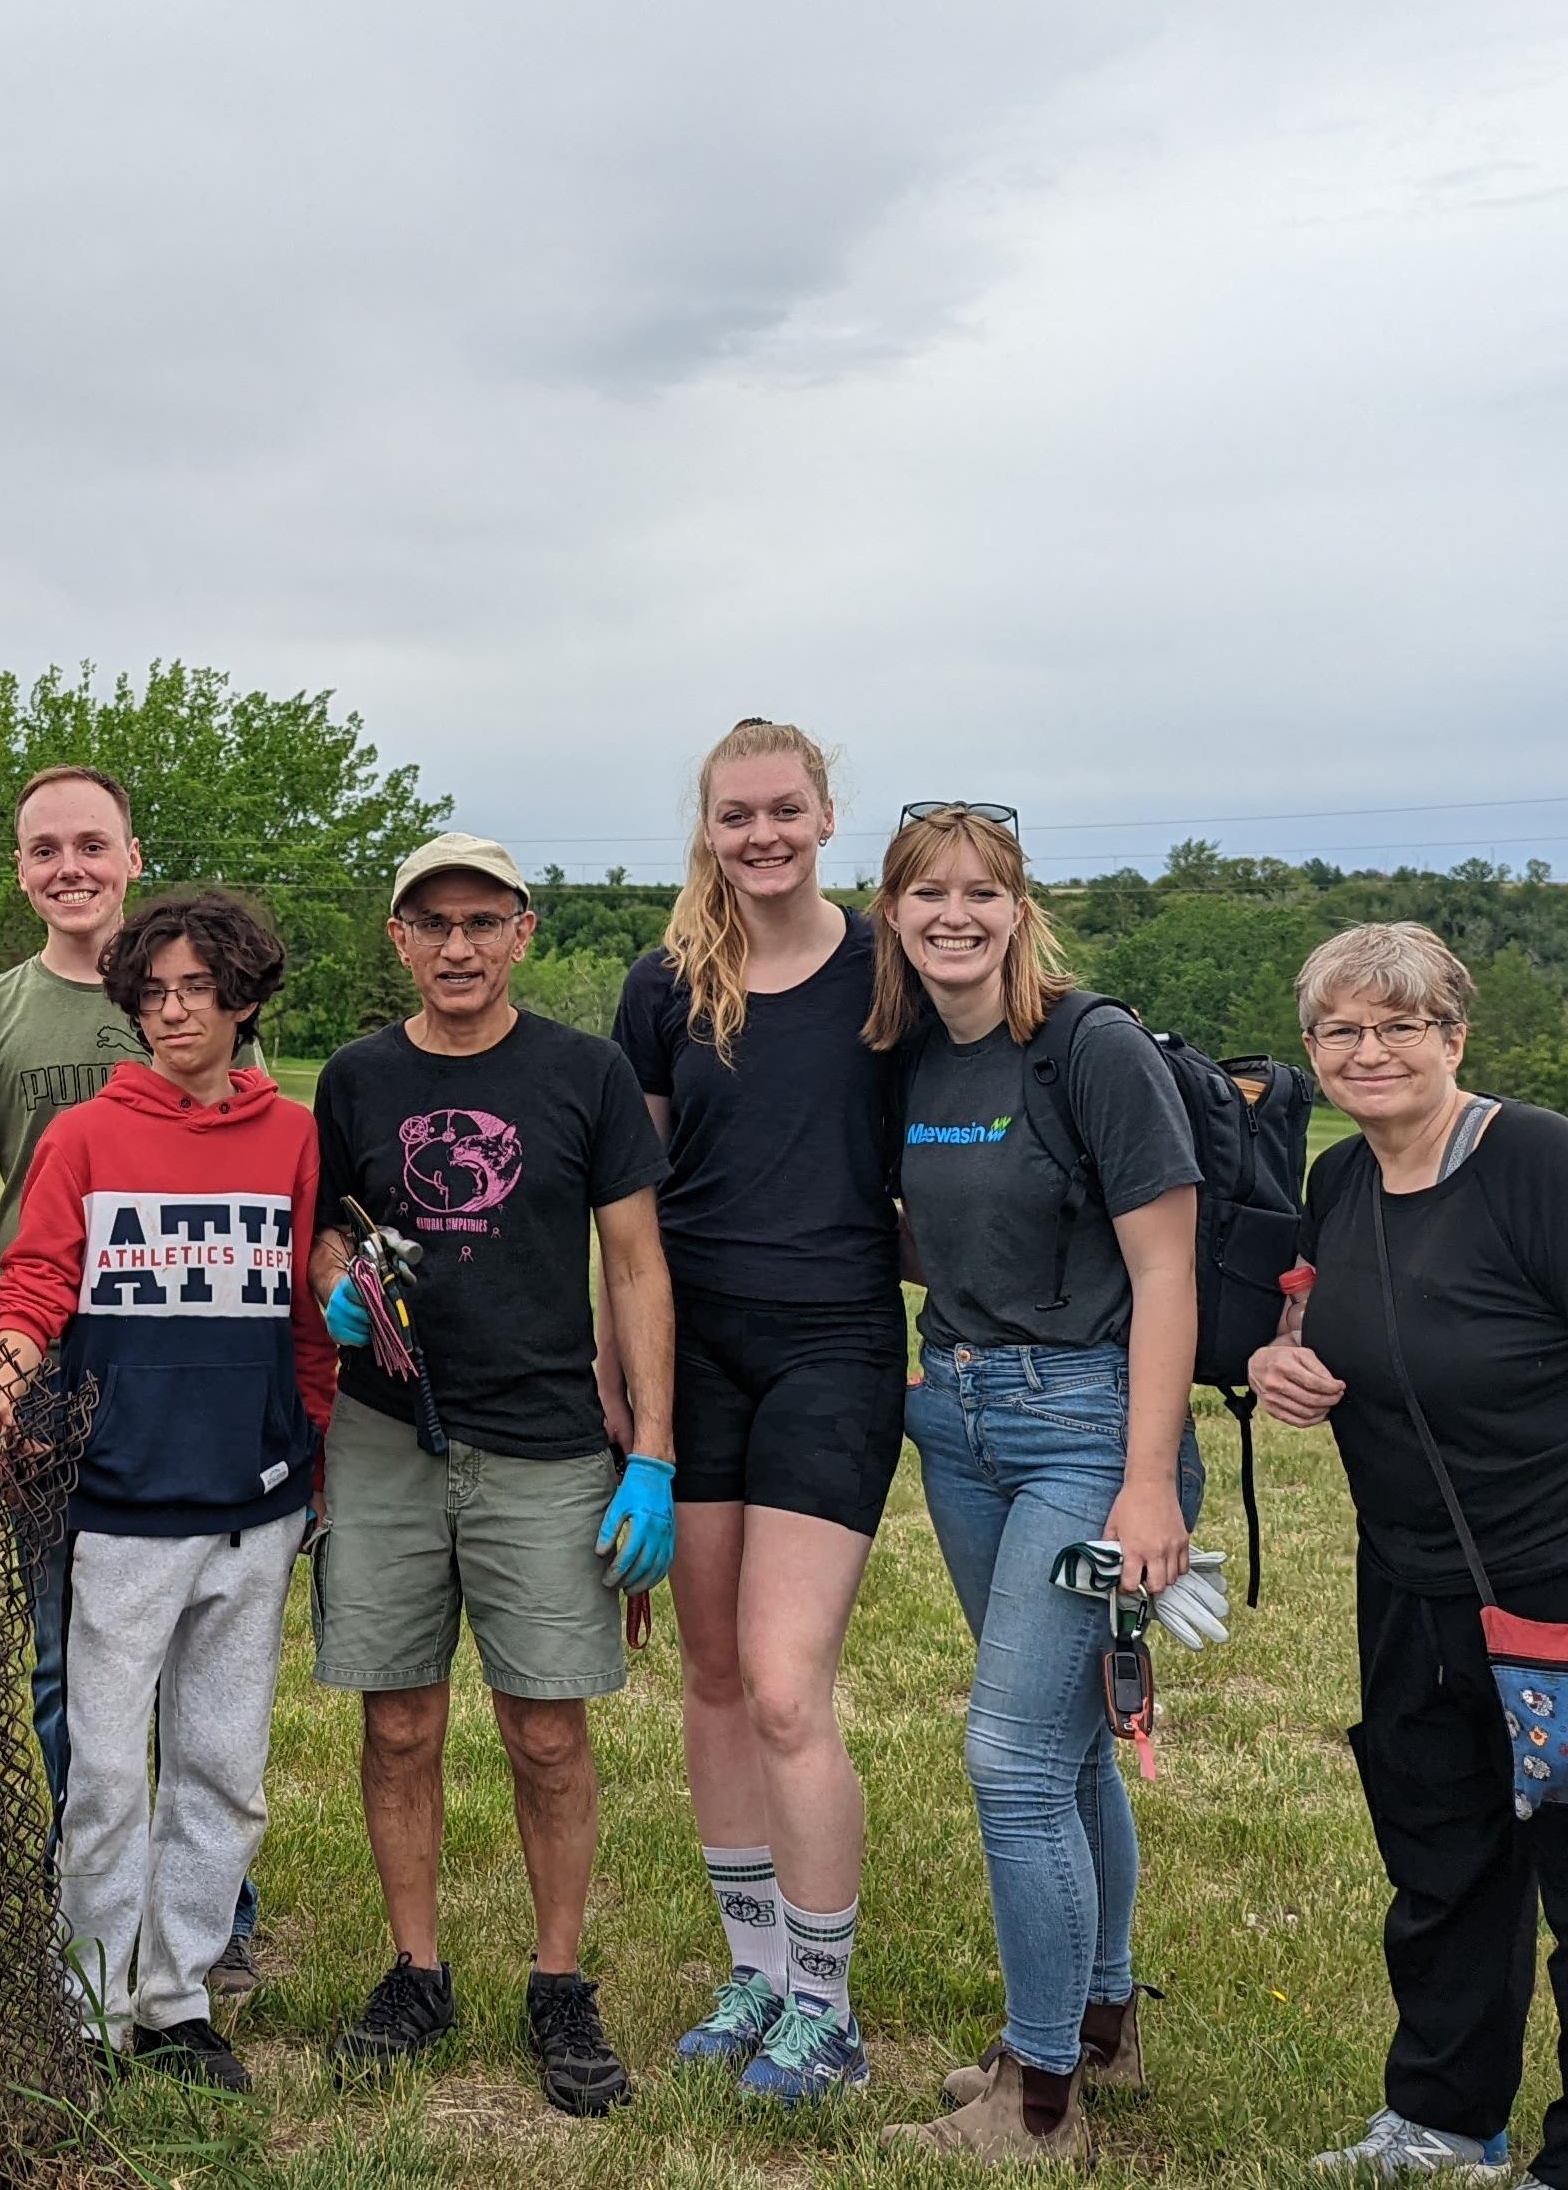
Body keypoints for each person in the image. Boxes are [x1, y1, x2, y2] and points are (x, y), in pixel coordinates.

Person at [1250, 924, 1568, 2190]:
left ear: (1454, 1035)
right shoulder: (1342, 1180)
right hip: (1416, 1590)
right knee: (1441, 1868)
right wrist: (1280, 1357)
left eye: (1399, 1025)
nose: (1368, 1051)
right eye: (1340, 1031)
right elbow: (1319, 1309)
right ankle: (1441, 2118)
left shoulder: (1539, 1163)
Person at [306, 832, 676, 2118]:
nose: (456, 946)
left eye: (482, 922)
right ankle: (417, 1971)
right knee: (399, 1720)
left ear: (522, 932)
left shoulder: (587, 1073)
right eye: (432, 924)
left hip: (546, 1441)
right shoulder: (354, 1079)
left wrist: (655, 1458)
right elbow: (325, 1239)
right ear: (398, 939)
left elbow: (635, 1268)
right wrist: (337, 1296)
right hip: (387, 1436)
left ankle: (559, 1983)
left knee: (546, 1727)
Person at [865, 804, 1208, 2162]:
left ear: (1020, 906)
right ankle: (1101, 2020)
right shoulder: (911, 1057)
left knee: (1007, 1758)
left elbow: (1169, 1270)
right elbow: (943, 1236)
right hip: (954, 1417)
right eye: (926, 892)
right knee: (1059, 1746)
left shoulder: (1091, 1047)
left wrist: (1148, 1485)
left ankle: (1042, 2095)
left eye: (982, 891)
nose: (955, 913)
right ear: (890, 912)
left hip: (1087, 1428)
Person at [605, 718, 910, 2103]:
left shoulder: (888, 967)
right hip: (695, 1347)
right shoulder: (665, 984)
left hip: (834, 1346)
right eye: (737, 815)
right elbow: (631, 1207)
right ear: (708, 829)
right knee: (713, 1677)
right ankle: (758, 1972)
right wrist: (622, 1377)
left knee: (789, 1685)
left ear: (828, 815)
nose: (762, 834)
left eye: (785, 809)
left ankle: (830, 2003)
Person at [0, 763, 265, 1992]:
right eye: (41, 849)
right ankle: (92, 1891)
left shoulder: (193, 985)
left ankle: (212, 1904)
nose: (67, 867)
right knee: (70, 1647)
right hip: (51, 1361)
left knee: (201, 1642)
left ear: (132, 852)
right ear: (20, 871)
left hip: (185, 1349)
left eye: (91, 844)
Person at [0, 889, 335, 2092]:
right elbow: (37, 1278)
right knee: (103, 1771)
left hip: (252, 1501)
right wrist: (6, 1372)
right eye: (153, 993)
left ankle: (180, 2001)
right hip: (121, 1503)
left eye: (198, 990)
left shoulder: (290, 1136)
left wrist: (316, 1450)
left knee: (221, 1768)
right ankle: (90, 2005)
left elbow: (305, 1310)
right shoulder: (86, 1136)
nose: (174, 1011)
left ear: (243, 1001)